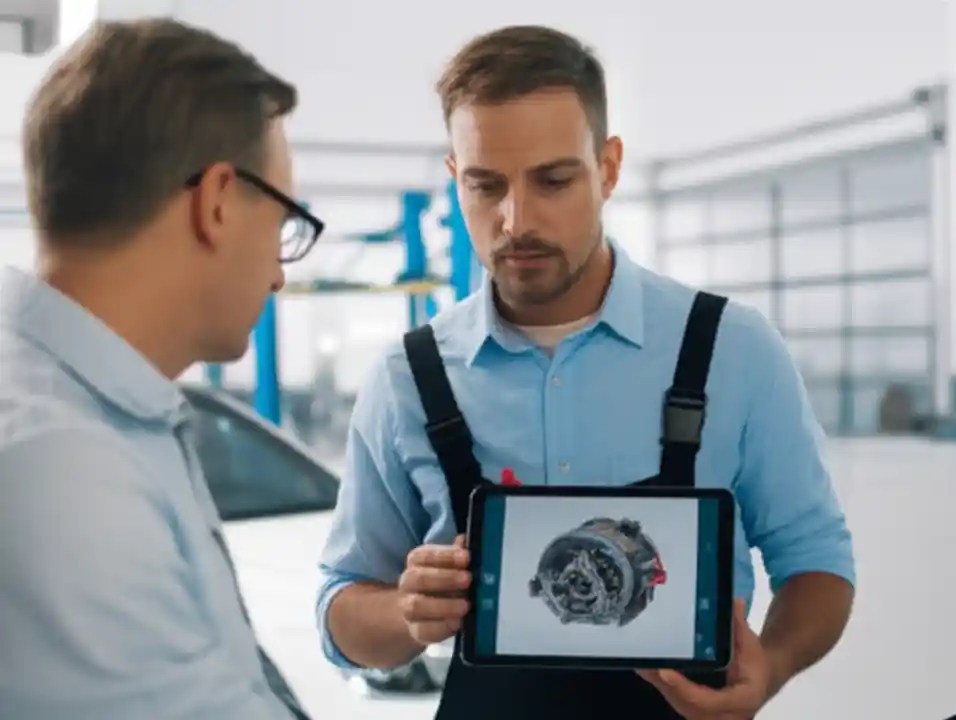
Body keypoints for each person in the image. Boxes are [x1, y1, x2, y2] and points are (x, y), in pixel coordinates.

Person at [316, 24, 856, 720]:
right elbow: (340, 607)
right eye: (486, 185)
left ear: (608, 167)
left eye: (553, 180)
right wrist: (403, 614)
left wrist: (773, 665)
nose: (516, 221)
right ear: (456, 178)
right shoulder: (407, 379)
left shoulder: (733, 349)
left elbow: (817, 563)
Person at [0, 18, 323, 720]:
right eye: (284, 221)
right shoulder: (62, 469)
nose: (279, 274)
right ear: (214, 203)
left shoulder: (107, 414)